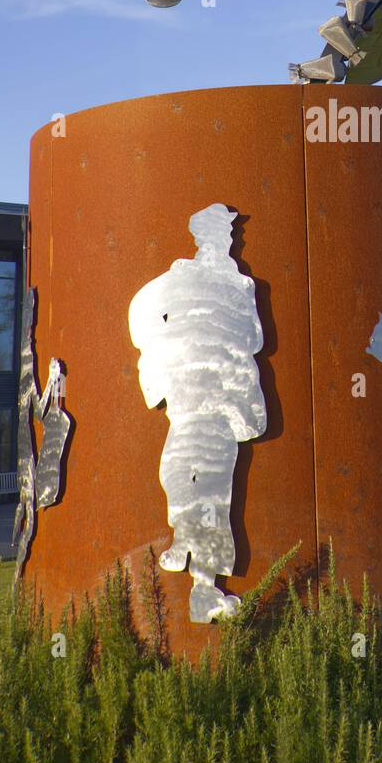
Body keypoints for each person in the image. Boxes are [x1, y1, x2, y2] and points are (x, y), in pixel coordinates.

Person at [128, 204, 266, 622]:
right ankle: (183, 535)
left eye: (229, 235)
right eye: (219, 233)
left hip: (221, 403)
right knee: (173, 471)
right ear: (203, 236)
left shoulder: (241, 288)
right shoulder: (178, 278)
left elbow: (254, 338)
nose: (226, 241)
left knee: (213, 494)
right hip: (187, 400)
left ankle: (205, 589)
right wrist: (157, 359)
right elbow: (145, 311)